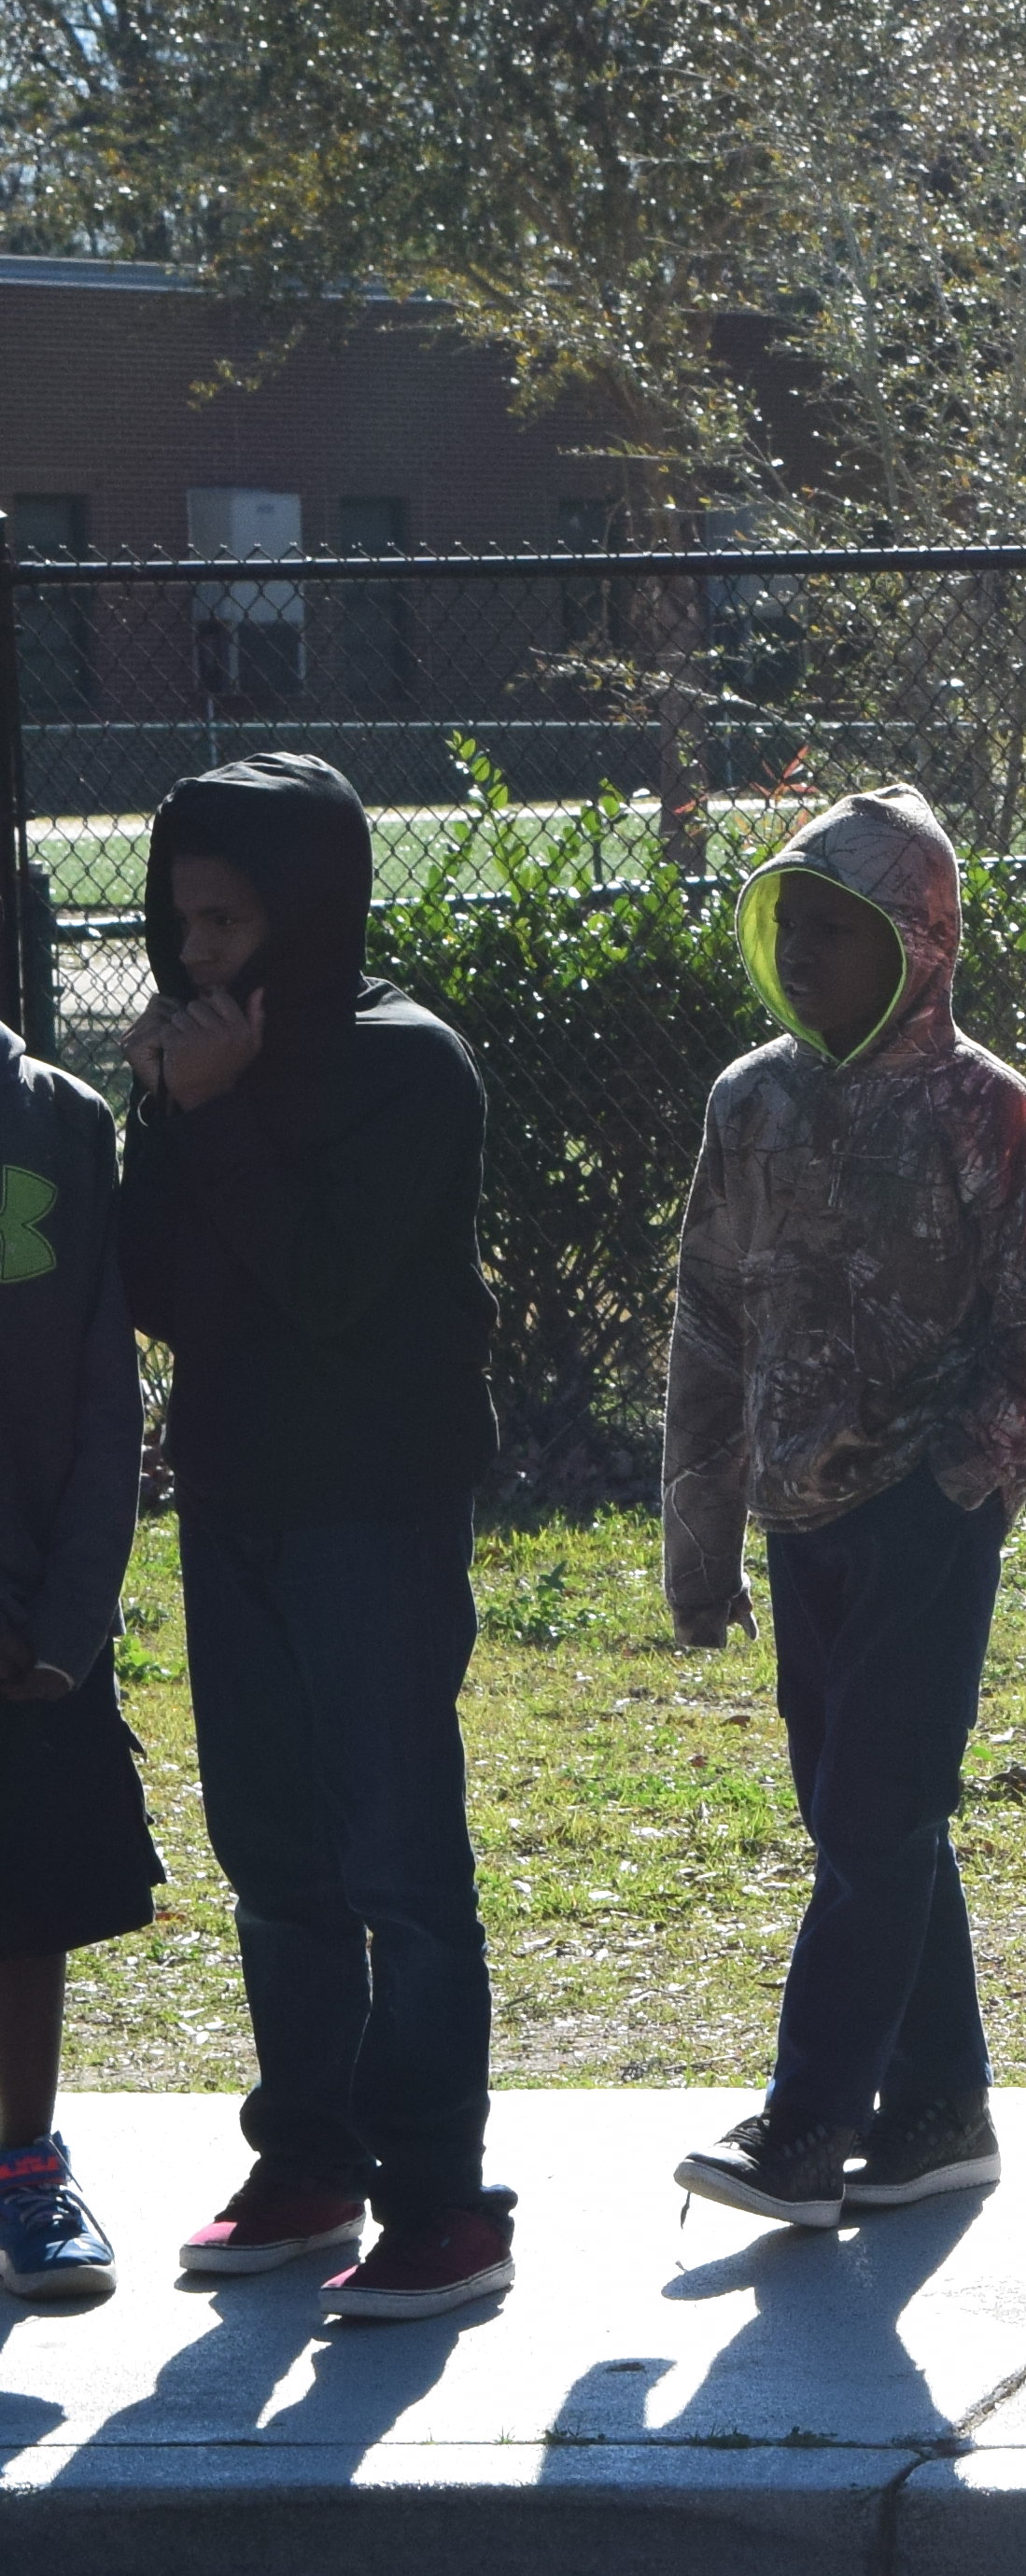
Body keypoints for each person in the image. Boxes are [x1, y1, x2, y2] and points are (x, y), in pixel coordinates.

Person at [124, 754, 510, 2320]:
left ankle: (438, 2197)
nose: (204, 954)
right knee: (273, 1858)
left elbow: (329, 1284)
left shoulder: (406, 1068)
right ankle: (310, 2160)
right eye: (184, 922)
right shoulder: (206, 1065)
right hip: (236, 1504)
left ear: (311, 909)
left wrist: (209, 1117)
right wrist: (173, 1110)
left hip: (372, 1511)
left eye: (232, 919)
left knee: (398, 1866)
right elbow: (157, 1291)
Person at [661, 786, 1026, 2231]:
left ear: (924, 942)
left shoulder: (996, 1114)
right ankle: (943, 2109)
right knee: (863, 1817)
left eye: (845, 927)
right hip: (795, 1516)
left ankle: (810, 2123)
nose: (812, 952)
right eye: (795, 924)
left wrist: (962, 1480)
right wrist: (703, 1544)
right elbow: (707, 1320)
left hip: (925, 1520)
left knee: (879, 1811)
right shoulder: (748, 1101)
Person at [2, 1003, 157, 2307]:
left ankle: (23, 2170)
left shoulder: (58, 1121)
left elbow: (109, 1399)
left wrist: (65, 1625)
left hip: (30, 1615)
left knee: (28, 1885)